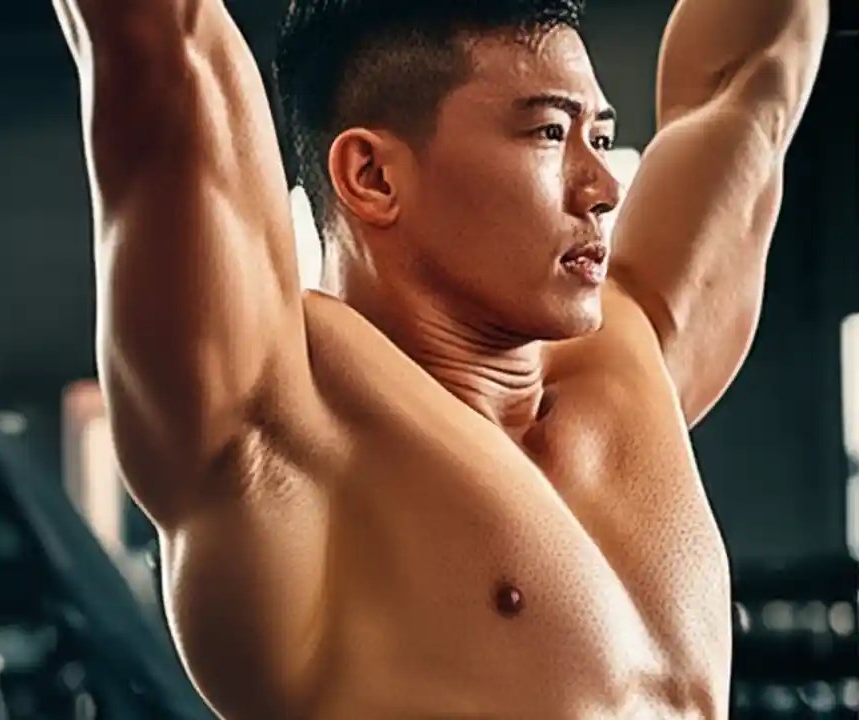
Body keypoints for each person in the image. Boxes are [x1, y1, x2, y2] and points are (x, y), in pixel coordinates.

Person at [49, 0, 829, 716]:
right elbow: (158, 42)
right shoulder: (275, 415)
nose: (601, 186)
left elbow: (750, 84)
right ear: (373, 175)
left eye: (599, 135)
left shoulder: (633, 358)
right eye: (550, 133)